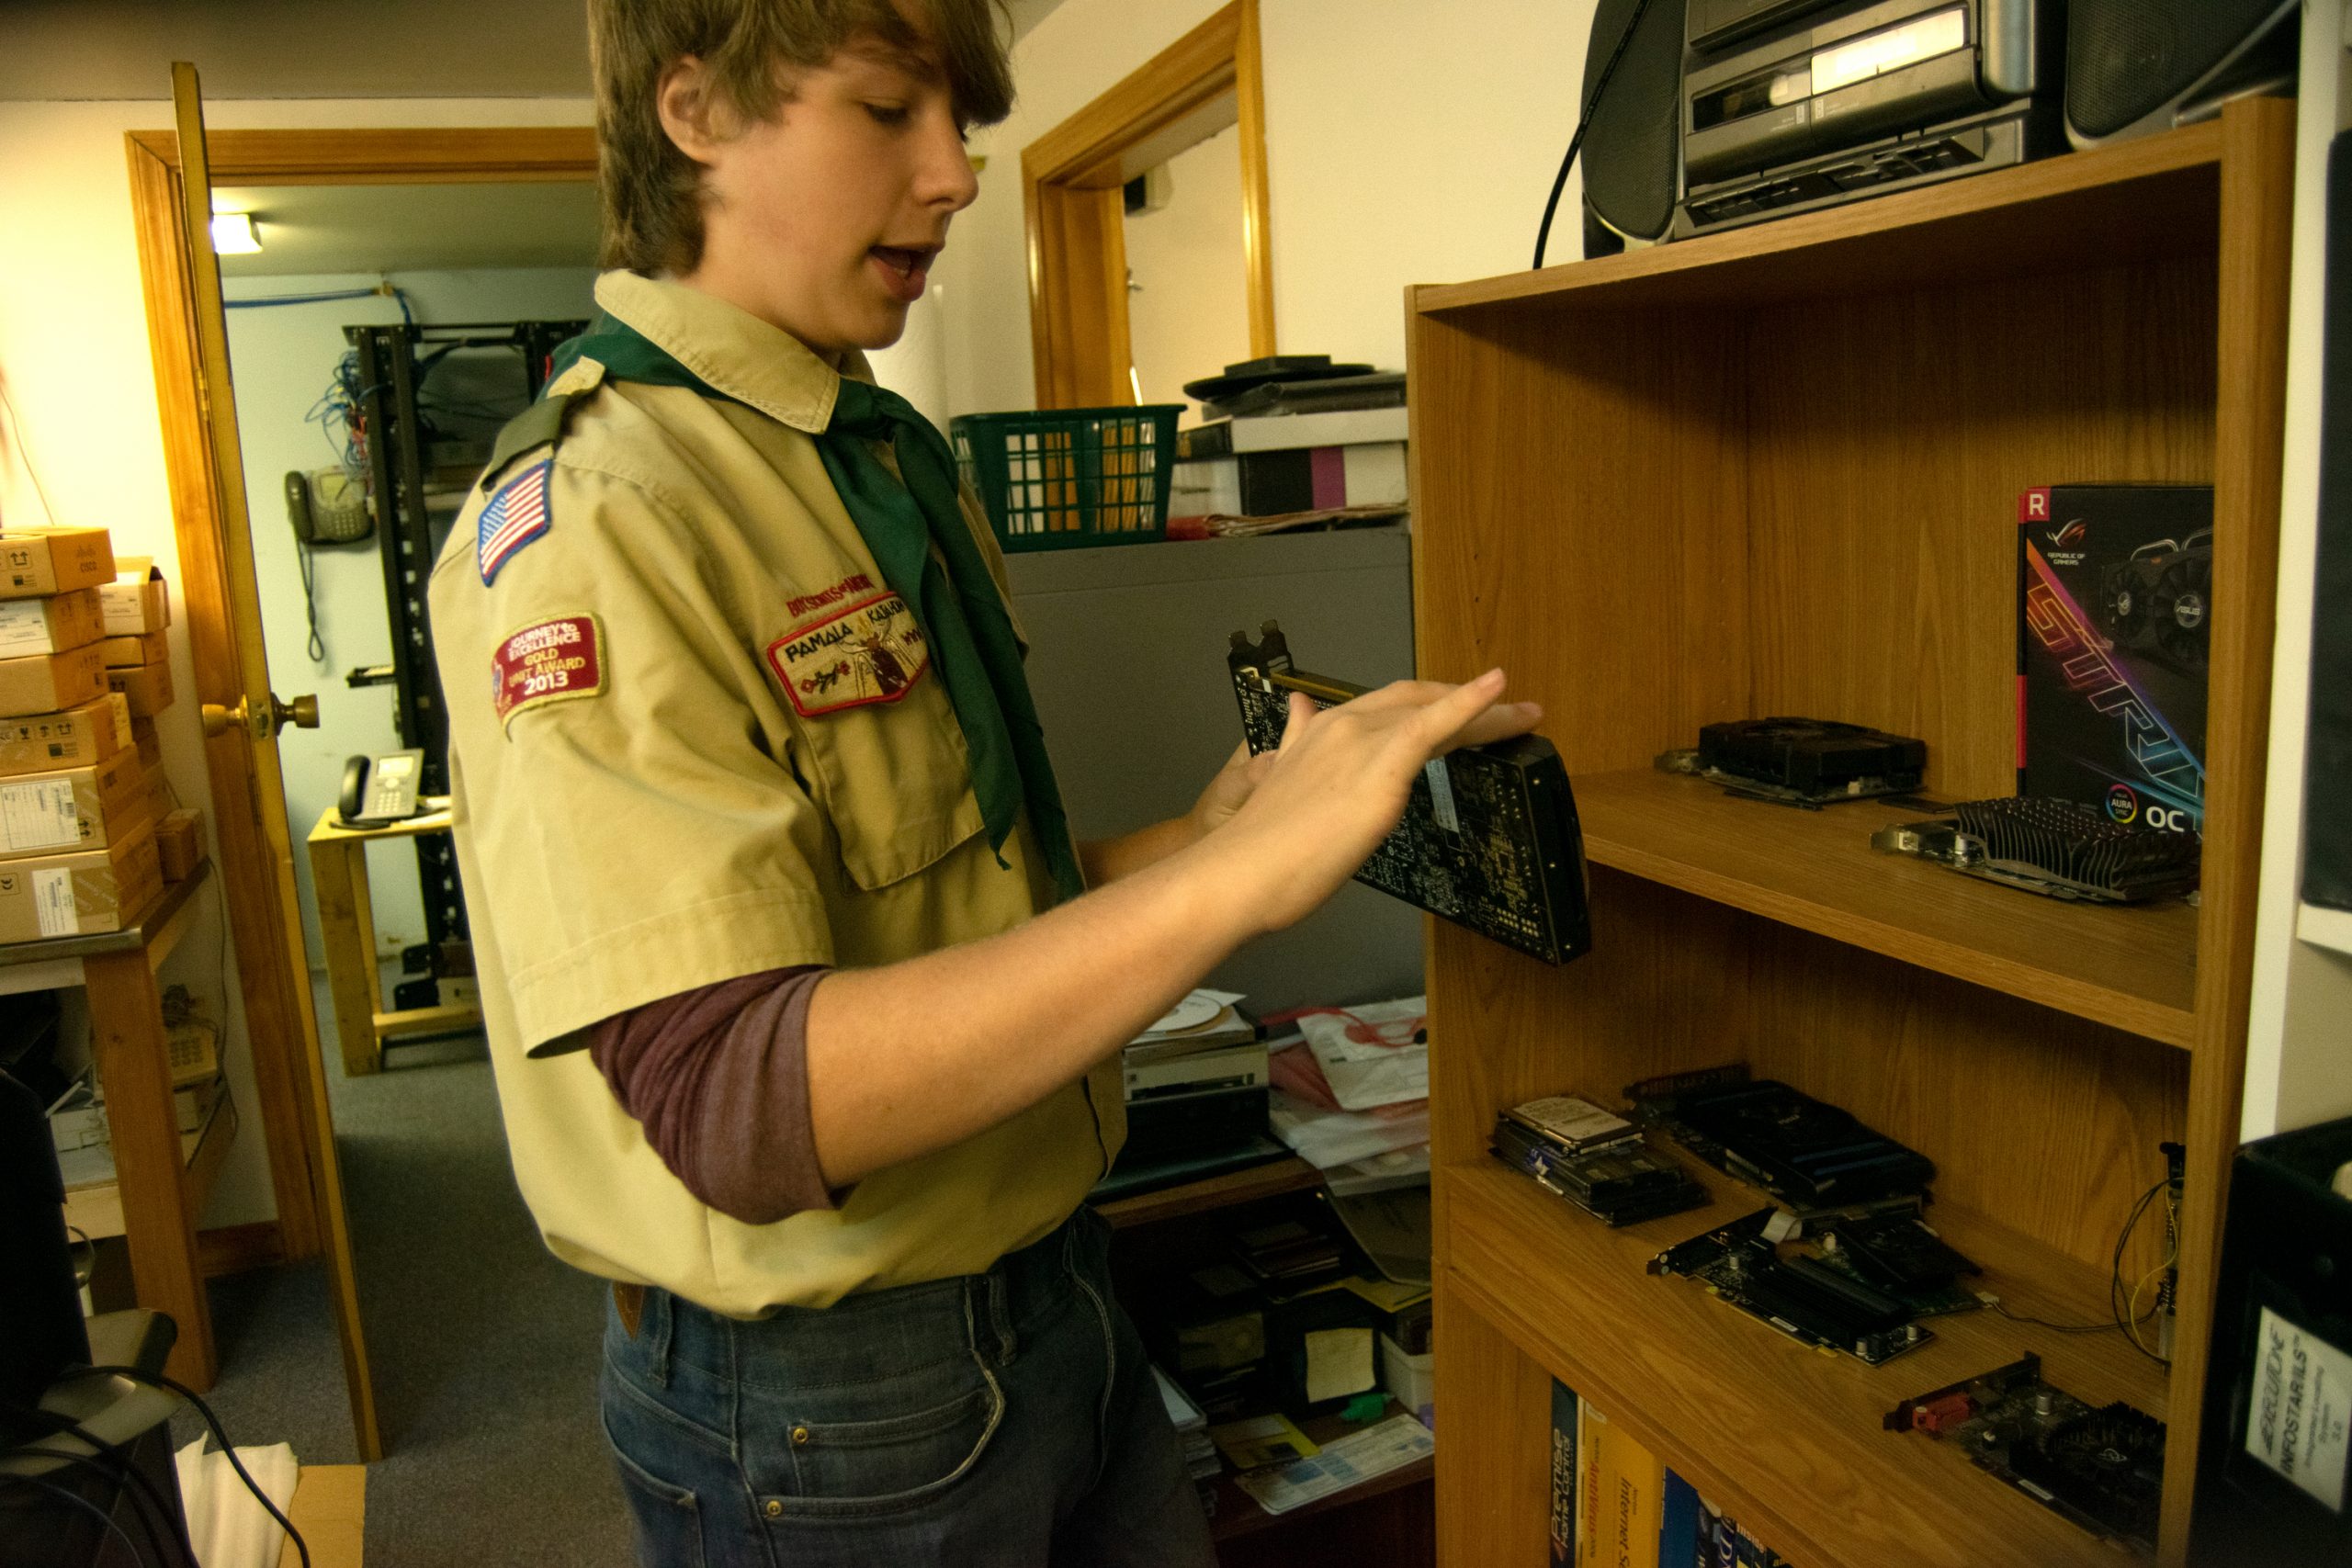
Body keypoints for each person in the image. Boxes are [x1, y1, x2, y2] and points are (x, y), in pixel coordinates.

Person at [425, 2, 1539, 1562]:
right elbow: (738, 1098)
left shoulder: (880, 456)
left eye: (959, 121)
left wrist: (1207, 831)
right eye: (889, 112)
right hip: (831, 1398)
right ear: (696, 113)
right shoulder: (605, 512)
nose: (955, 174)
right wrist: (1239, 884)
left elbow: (956, 906)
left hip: (1053, 1291)